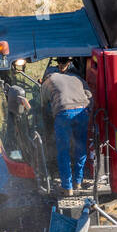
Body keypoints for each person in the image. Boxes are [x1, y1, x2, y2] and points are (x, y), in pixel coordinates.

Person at [40, 57, 92, 193]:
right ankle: (78, 181)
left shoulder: (48, 81)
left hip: (63, 113)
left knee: (63, 151)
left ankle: (67, 186)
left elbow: (42, 105)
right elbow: (89, 95)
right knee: (80, 147)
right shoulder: (76, 78)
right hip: (82, 111)